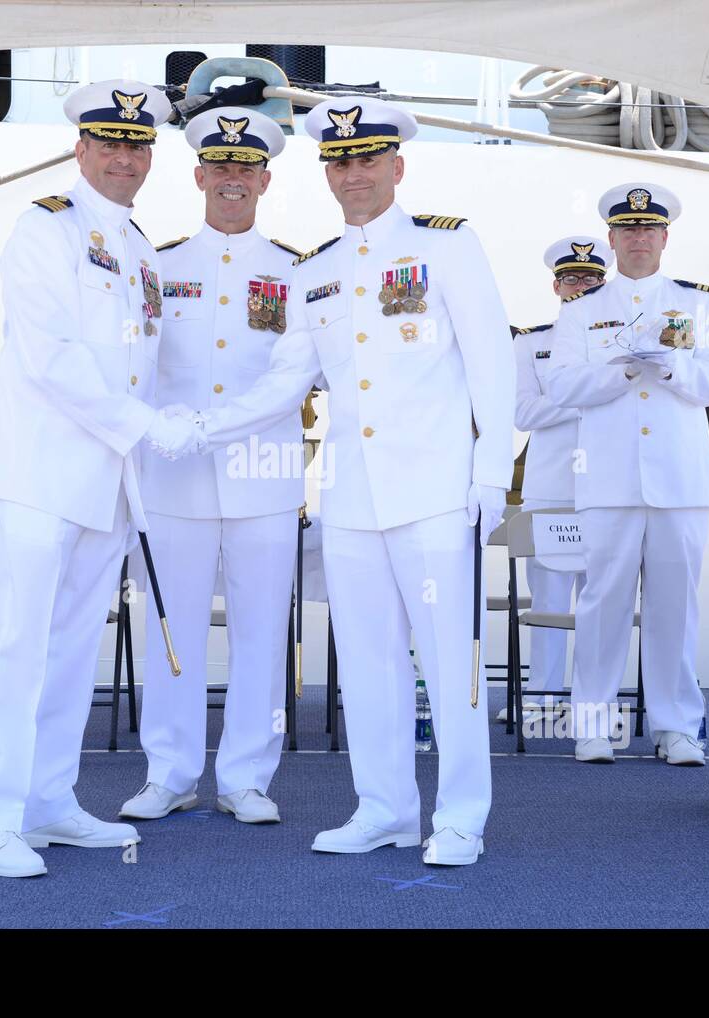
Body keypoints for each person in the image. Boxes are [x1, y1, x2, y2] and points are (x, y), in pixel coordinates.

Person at [162, 97, 515, 866]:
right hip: (353, 497)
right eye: (339, 162)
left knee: (450, 661)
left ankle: (460, 816)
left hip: (435, 493)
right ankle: (384, 808)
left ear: (397, 166)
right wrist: (198, 427)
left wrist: (492, 474)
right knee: (368, 660)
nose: (352, 175)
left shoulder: (447, 247)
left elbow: (494, 364)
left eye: (366, 160)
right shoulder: (314, 271)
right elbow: (286, 383)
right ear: (327, 172)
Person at [0, 80, 203, 878]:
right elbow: (52, 359)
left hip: (111, 485)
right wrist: (145, 427)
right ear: (82, 148)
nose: (125, 158)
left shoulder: (137, 248)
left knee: (69, 654)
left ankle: (47, 801)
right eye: (111, 144)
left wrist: (169, 425)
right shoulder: (44, 230)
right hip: (45, 473)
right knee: (17, 650)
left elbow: (144, 368)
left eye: (139, 147)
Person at [119, 106, 302, 825]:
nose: (233, 179)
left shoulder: (296, 270)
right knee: (172, 629)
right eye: (220, 167)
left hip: (265, 478)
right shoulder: (157, 266)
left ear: (264, 179)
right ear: (198, 175)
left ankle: (247, 778)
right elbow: (135, 363)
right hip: (174, 479)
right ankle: (169, 772)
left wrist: (204, 427)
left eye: (246, 169)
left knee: (261, 634)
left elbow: (292, 379)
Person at [546, 182, 709, 766]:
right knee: (604, 604)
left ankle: (676, 726)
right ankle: (594, 725)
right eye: (628, 229)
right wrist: (623, 372)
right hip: (609, 478)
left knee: (675, 604)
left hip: (679, 479)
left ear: (665, 237)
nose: (639, 238)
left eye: (649, 229)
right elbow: (565, 386)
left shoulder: (700, 303)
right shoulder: (583, 310)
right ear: (612, 238)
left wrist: (668, 365)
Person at [501, 236, 611, 723]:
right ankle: (543, 700)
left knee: (602, 602)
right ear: (556, 285)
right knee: (548, 602)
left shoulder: (618, 337)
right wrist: (589, 395)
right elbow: (523, 413)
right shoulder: (531, 342)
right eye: (572, 279)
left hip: (610, 489)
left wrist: (575, 397)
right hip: (549, 490)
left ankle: (592, 703)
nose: (580, 286)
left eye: (590, 279)